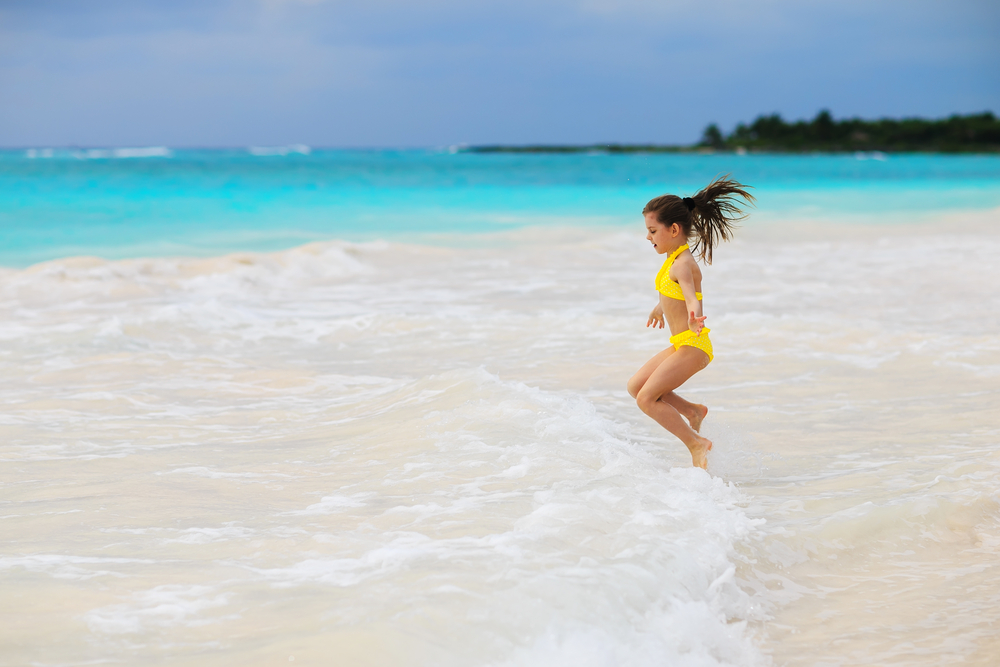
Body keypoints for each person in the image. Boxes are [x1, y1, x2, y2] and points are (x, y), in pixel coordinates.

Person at [627, 176, 754, 469]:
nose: (648, 237)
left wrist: (695, 315)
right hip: (680, 344)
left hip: (693, 345)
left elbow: (691, 296)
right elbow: (673, 293)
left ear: (673, 229)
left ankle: (697, 444)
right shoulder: (672, 258)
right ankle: (693, 411)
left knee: (646, 399)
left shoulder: (684, 263)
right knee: (636, 387)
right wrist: (660, 306)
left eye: (652, 230)